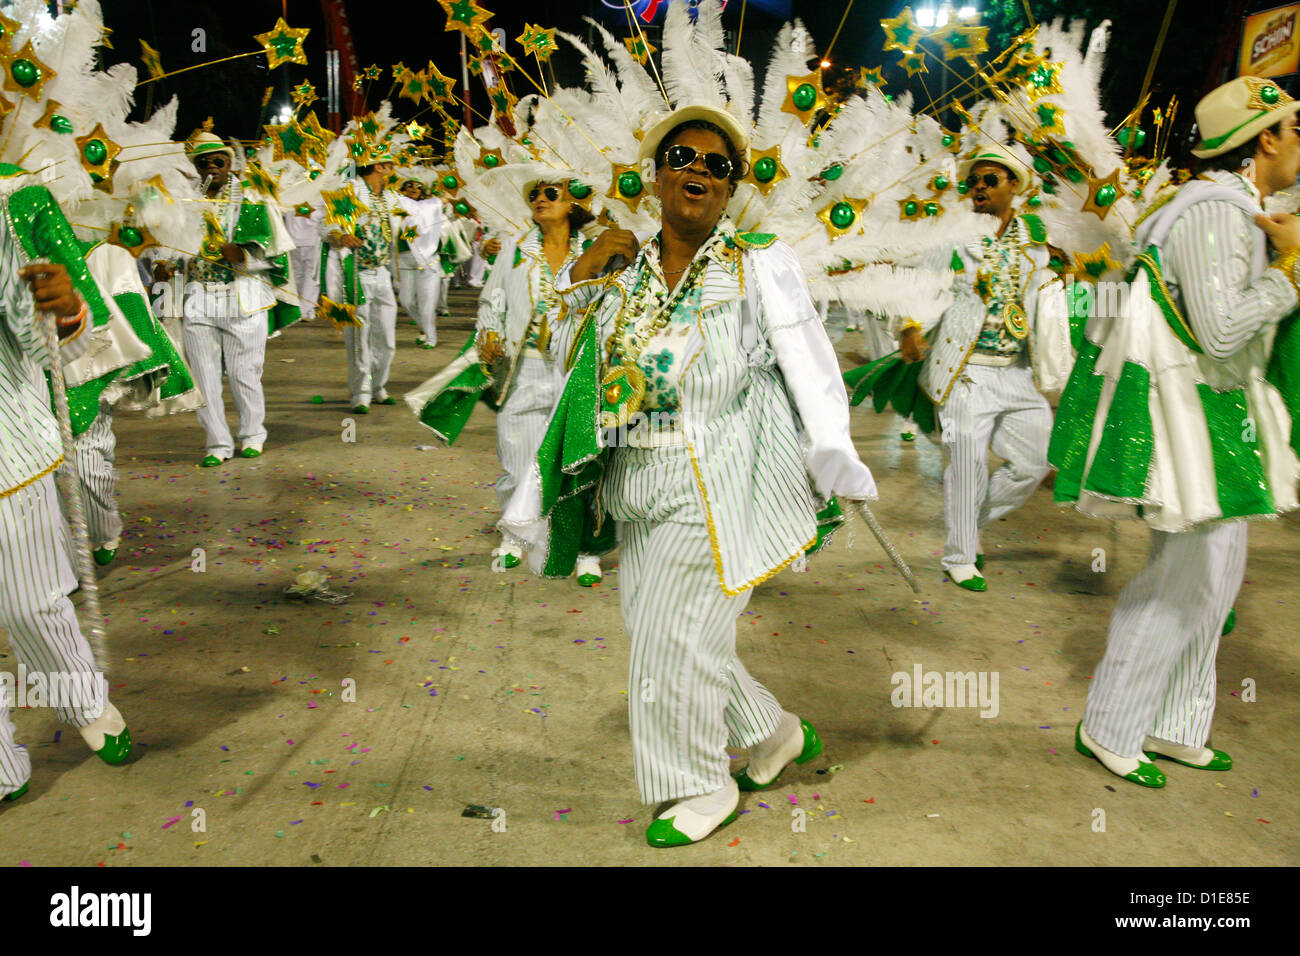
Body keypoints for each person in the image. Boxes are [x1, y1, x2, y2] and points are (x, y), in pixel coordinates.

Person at [549, 106, 878, 846]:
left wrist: (832, 448)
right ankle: (774, 731)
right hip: (636, 480)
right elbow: (558, 364)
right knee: (669, 630)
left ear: (732, 189)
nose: (698, 170)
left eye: (717, 164)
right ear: (656, 175)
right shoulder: (624, 267)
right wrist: (579, 269)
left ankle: (701, 782)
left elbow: (806, 354)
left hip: (718, 473)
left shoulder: (759, 261)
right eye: (682, 156)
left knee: (673, 641)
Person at [1052, 76, 1300, 787]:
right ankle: (1110, 724)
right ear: (1265, 140)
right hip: (1187, 418)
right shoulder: (1217, 213)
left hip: (1216, 417)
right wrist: (1292, 274)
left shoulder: (1239, 208)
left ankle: (1175, 723)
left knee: (1215, 583)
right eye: (1294, 128)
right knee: (1181, 582)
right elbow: (1221, 331)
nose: (1299, 144)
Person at [897, 142, 1071, 592]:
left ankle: (967, 525)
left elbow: (1060, 280)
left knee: (1036, 460)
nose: (978, 188)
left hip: (1017, 369)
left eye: (989, 180)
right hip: (965, 371)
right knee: (967, 465)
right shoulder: (954, 233)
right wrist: (911, 326)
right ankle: (959, 555)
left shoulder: (1035, 239)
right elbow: (925, 283)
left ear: (1014, 185)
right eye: (972, 181)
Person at [0, 213, 132, 803]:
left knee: (33, 607)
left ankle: (84, 700)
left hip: (6, 453)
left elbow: (38, 337)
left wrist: (63, 306)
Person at [478, 178, 605, 584]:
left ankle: (587, 548)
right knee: (516, 455)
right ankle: (516, 535)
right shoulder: (516, 249)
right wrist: (490, 334)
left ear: (573, 203)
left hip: (575, 370)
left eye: (550, 194)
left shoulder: (597, 252)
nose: (539, 201)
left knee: (582, 460)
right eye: (534, 195)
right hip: (526, 365)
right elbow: (493, 297)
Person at [155, 133, 291, 466]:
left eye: (219, 161)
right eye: (204, 163)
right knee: (203, 376)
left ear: (230, 163)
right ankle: (217, 442)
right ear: (196, 168)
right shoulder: (184, 202)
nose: (212, 168)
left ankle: (252, 435)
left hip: (240, 297)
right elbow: (167, 247)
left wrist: (243, 254)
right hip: (197, 297)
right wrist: (162, 266)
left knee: (245, 372)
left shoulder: (252, 200)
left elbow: (276, 252)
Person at [323, 151, 403, 413]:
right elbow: (325, 228)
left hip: (382, 272)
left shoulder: (389, 197)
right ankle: (362, 392)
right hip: (356, 272)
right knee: (359, 336)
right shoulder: (349, 192)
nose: (393, 167)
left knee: (387, 338)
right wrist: (341, 237)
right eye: (389, 163)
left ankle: (379, 386)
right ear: (378, 166)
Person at [395, 177, 445, 350]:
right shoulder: (396, 207)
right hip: (404, 260)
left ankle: (431, 337)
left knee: (427, 304)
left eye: (418, 186)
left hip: (428, 261)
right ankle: (424, 328)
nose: (413, 188)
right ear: (403, 190)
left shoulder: (432, 208)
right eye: (409, 186)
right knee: (406, 301)